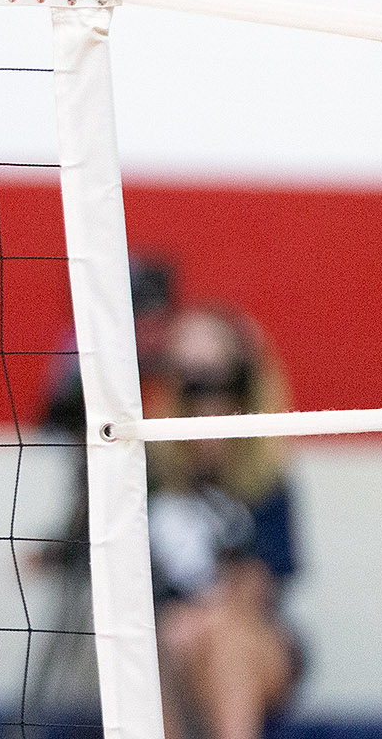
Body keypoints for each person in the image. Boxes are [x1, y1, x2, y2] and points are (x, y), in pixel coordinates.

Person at [144, 306, 300, 739]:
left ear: (242, 387)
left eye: (220, 385)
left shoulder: (265, 473)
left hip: (254, 639)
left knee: (225, 636)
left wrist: (207, 615)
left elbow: (265, 580)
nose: (208, 404)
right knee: (152, 642)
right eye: (193, 387)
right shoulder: (149, 468)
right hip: (167, 637)